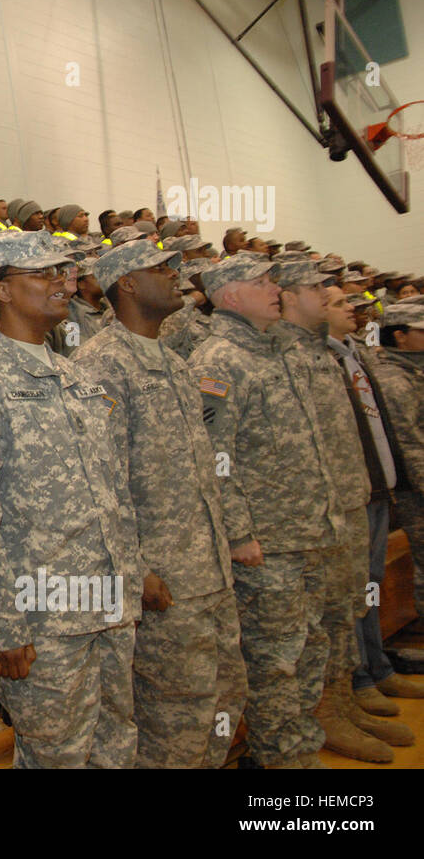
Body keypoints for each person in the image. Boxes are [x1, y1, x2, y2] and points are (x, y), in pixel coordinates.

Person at [0, 230, 141, 768]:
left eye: (64, 272)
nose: (63, 282)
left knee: (116, 743)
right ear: (1, 291)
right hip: (43, 617)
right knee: (58, 756)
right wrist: (3, 624)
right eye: (45, 273)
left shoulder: (73, 375)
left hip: (107, 602)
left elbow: (112, 489)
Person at [73, 240, 244, 768]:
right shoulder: (101, 364)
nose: (176, 276)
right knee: (175, 717)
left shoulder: (172, 359)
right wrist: (137, 569)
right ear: (125, 283)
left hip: (209, 568)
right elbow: (101, 480)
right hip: (165, 578)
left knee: (224, 698)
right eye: (161, 268)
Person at [190, 256, 338, 769]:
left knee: (310, 646)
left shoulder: (282, 349)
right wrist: (237, 533)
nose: (274, 289)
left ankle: (301, 745)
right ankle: (280, 761)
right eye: (261, 282)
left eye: (273, 280)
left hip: (307, 529)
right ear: (230, 295)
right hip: (265, 543)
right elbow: (214, 457)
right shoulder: (217, 361)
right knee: (275, 659)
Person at [270, 259, 396, 761]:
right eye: (315, 288)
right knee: (316, 626)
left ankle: (344, 702)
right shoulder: (280, 354)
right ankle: (323, 715)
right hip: (304, 517)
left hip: (345, 501)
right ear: (286, 297)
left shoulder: (319, 352)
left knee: (345, 611)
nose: (328, 295)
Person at [324, 291, 417, 747]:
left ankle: (376, 668)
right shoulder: (321, 358)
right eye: (339, 301)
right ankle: (357, 680)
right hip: (349, 494)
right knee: (354, 588)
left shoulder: (355, 353)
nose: (353, 307)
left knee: (372, 581)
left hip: (376, 486)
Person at [372, 304, 424, 650]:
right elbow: (409, 442)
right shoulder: (394, 378)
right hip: (415, 486)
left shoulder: (413, 371)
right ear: (400, 336)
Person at [47, 257, 107, 358]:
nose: (74, 269)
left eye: (74, 264)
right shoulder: (47, 316)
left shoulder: (108, 309)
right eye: (63, 266)